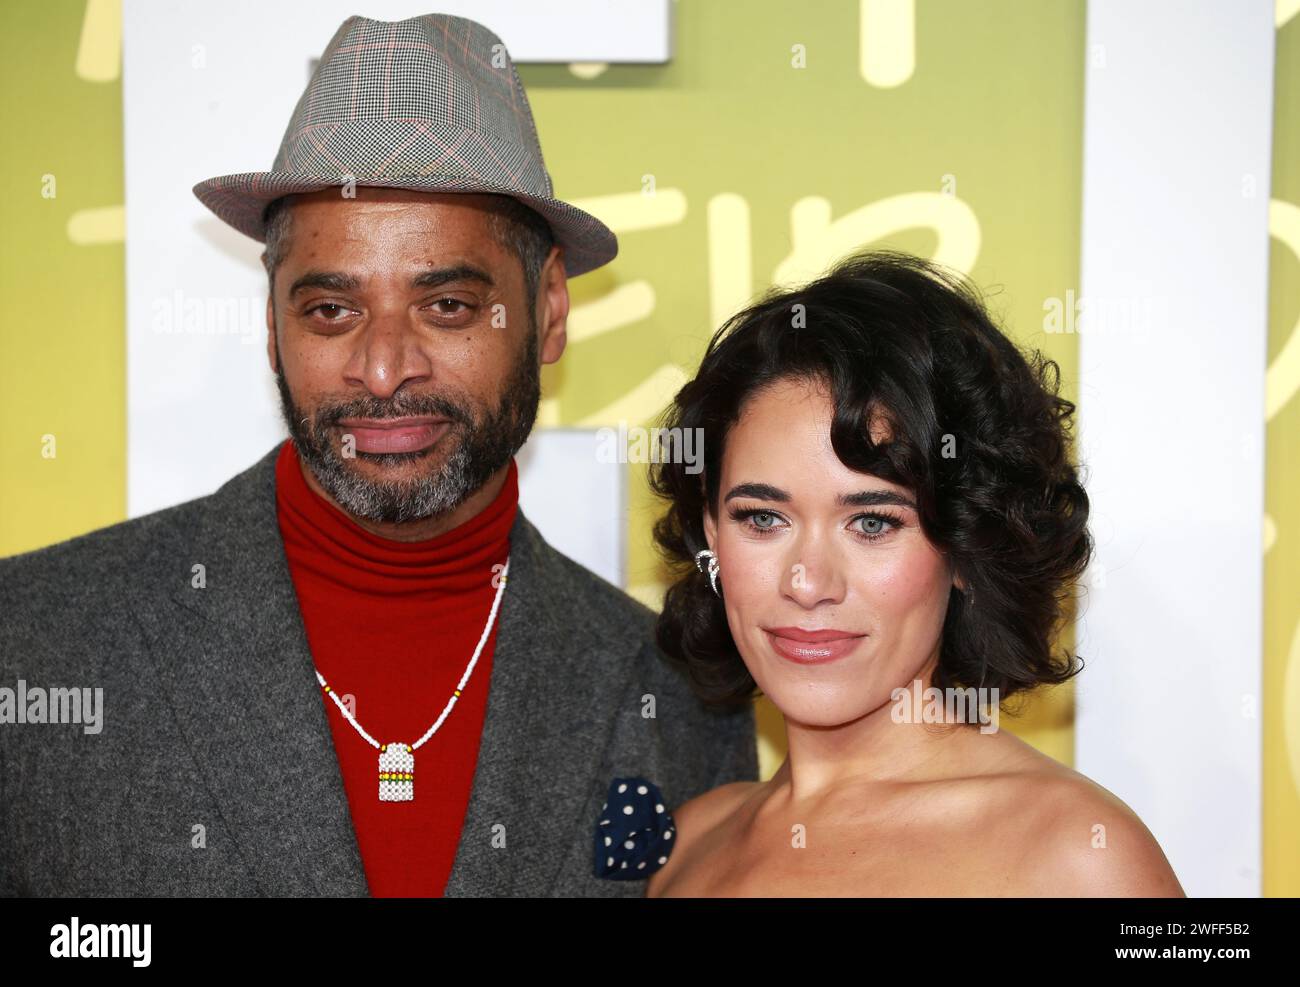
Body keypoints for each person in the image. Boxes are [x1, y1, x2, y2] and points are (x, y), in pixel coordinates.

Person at [0, 12, 756, 897]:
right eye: (331, 310)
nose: (386, 369)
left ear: (549, 310)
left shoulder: (682, 698)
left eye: (448, 307)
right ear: (272, 326)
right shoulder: (31, 644)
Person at [641, 250, 1184, 897]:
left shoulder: (1077, 857)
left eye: (872, 522)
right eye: (763, 518)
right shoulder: (689, 847)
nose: (808, 582)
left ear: (964, 545)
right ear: (710, 533)